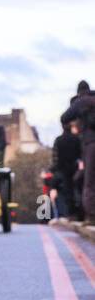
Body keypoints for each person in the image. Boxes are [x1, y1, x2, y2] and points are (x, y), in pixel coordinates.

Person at [59, 80, 95, 223]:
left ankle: (92, 216)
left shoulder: (82, 101)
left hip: (91, 143)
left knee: (90, 180)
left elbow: (64, 117)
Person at [52, 121, 82, 220]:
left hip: (63, 169)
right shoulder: (76, 139)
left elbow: (55, 157)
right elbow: (80, 153)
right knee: (77, 189)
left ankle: (71, 213)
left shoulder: (58, 140)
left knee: (68, 191)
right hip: (75, 167)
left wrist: (55, 170)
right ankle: (79, 213)